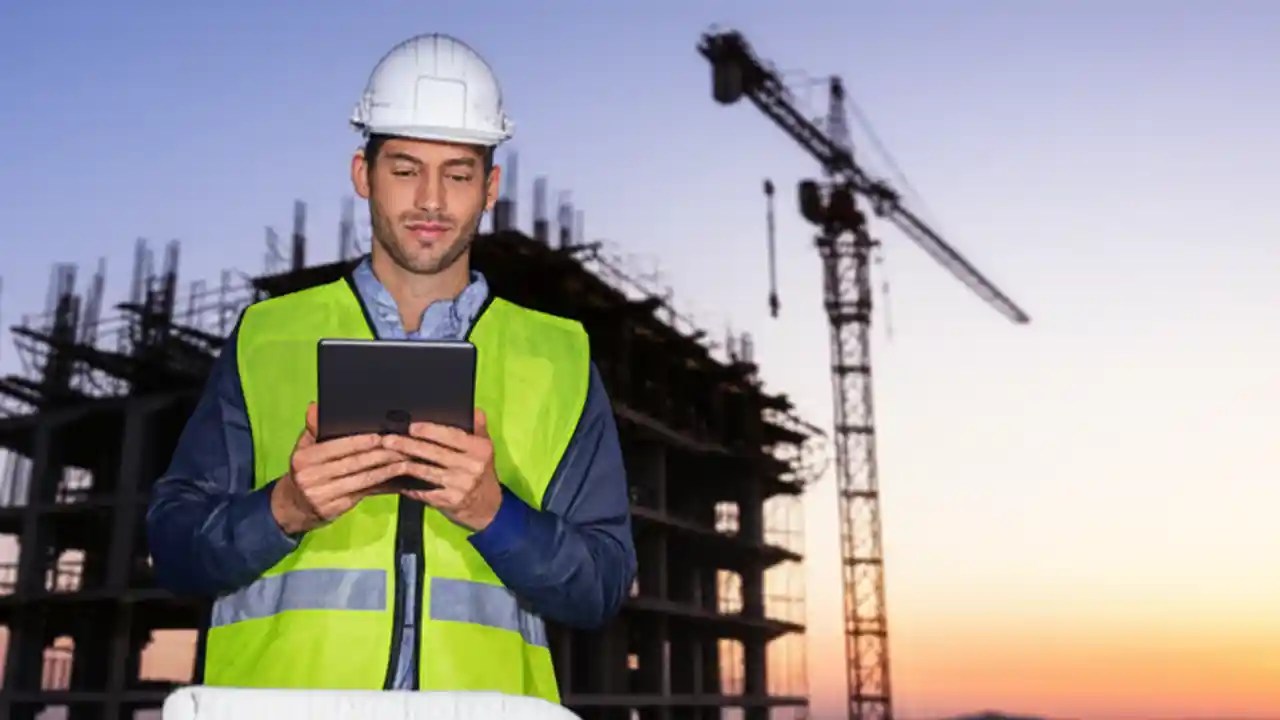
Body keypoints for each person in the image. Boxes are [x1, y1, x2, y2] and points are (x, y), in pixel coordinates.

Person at [145, 32, 637, 704]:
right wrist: (284, 508)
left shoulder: (558, 357)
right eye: (405, 169)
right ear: (362, 174)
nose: (431, 200)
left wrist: (495, 513)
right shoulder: (267, 338)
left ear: (490, 187)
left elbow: (602, 585)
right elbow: (173, 550)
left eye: (458, 173)